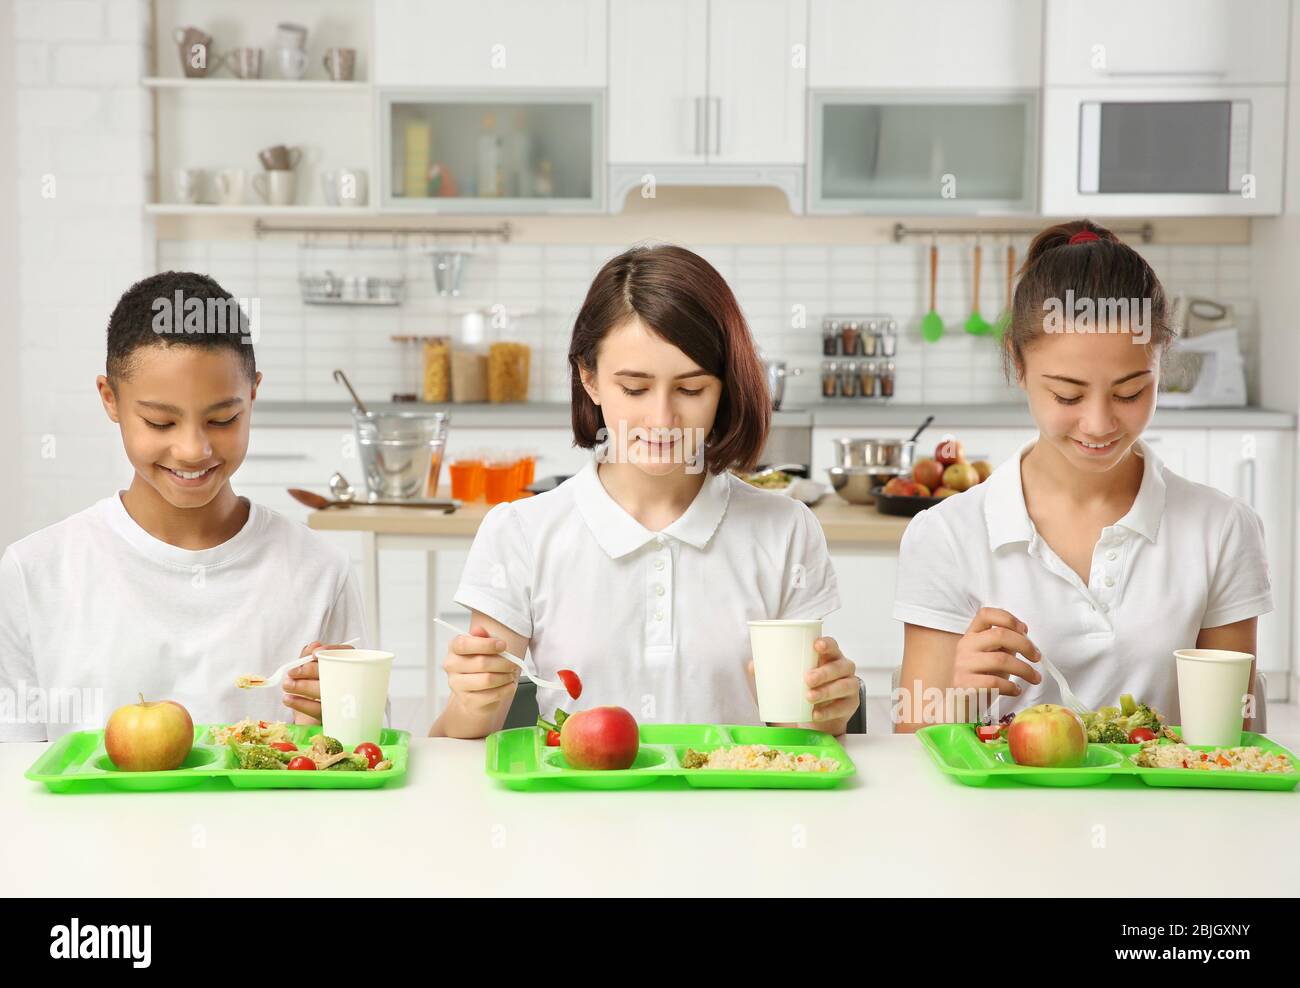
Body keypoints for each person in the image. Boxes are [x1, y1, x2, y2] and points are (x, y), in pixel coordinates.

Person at [431, 245, 858, 738]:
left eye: (691, 389)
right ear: (588, 378)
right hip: (578, 810)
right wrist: (473, 704)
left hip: (739, 810)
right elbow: (455, 748)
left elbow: (801, 740)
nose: (662, 420)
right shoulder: (520, 533)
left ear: (725, 388)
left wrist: (826, 713)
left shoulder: (785, 529)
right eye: (634, 389)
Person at [893, 220, 1270, 731]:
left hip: (1169, 810)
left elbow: (1237, 738)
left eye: (1131, 392)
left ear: (1160, 365)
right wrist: (958, 695)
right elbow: (917, 743)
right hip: (1002, 813)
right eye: (1067, 396)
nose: (1099, 424)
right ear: (1018, 364)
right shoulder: (945, 534)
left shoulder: (1222, 529)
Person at [0, 272, 364, 742]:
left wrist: (333, 720)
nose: (193, 449)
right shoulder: (36, 573)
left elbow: (365, 756)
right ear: (110, 399)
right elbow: (12, 772)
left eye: (223, 419)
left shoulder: (320, 571)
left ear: (252, 393)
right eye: (160, 421)